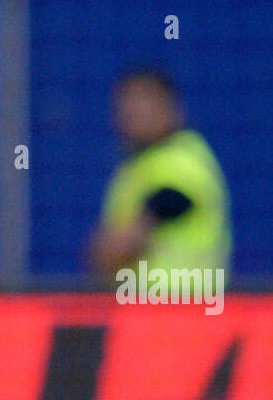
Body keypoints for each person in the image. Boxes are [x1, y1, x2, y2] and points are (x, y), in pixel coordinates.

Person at [90, 69, 231, 277]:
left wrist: (108, 249)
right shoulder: (140, 164)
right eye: (127, 104)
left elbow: (123, 246)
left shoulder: (179, 159)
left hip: (180, 304)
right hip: (152, 304)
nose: (133, 112)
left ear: (172, 108)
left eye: (144, 103)